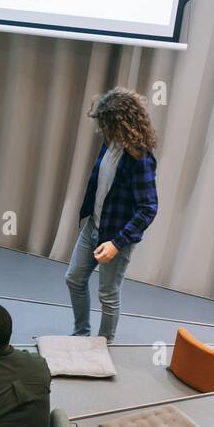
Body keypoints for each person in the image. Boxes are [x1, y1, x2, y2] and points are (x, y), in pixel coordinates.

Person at [65, 87, 159, 342]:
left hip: (117, 237)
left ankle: (103, 344)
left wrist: (117, 243)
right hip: (94, 227)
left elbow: (148, 208)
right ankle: (81, 334)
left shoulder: (140, 158)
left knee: (107, 294)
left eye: (105, 123)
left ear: (121, 122)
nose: (101, 128)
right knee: (74, 278)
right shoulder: (109, 143)